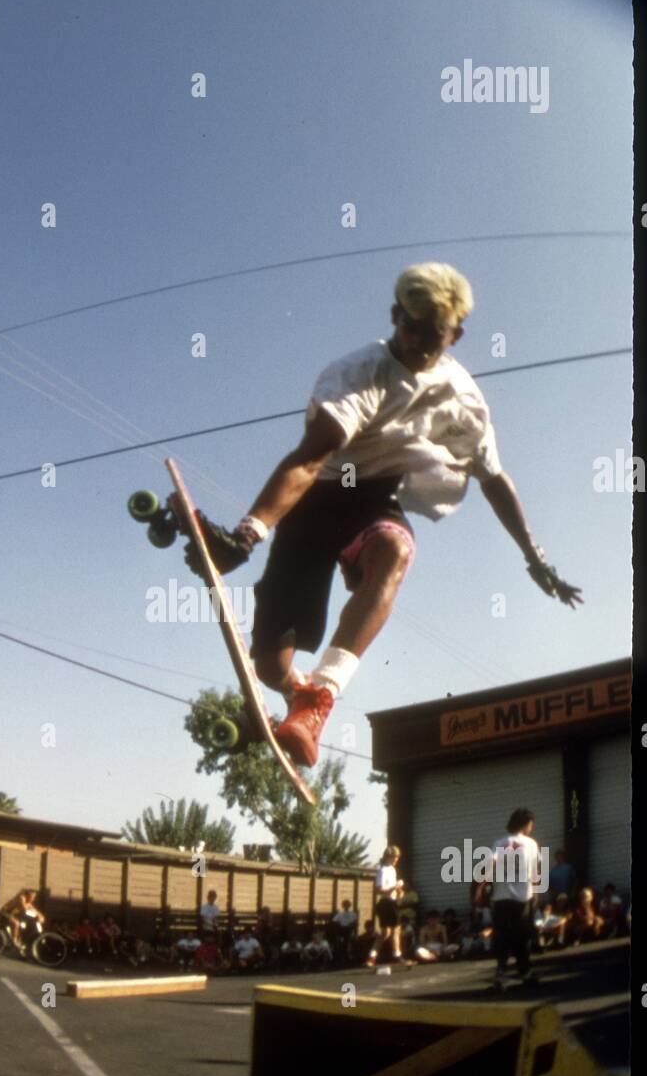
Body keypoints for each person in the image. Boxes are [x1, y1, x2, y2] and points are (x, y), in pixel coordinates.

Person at [176, 263, 582, 768]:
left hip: (375, 501)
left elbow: (494, 480)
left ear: (455, 334)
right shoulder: (357, 372)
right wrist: (248, 534)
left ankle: (318, 699)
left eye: (433, 337)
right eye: (409, 328)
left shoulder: (464, 400)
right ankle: (294, 689)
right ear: (395, 315)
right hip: (315, 502)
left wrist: (534, 556)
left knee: (394, 551)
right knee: (269, 667)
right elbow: (307, 461)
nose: (418, 345)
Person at [487, 808, 542, 991]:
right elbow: (536, 871)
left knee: (502, 936)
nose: (531, 828)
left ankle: (501, 973)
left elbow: (489, 865)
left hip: (501, 896)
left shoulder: (500, 842)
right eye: (530, 824)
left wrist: (479, 888)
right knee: (522, 936)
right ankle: (525, 973)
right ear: (526, 825)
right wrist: (535, 891)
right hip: (522, 896)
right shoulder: (532, 844)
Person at [372, 846, 404, 964]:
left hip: (392, 901)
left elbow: (392, 887)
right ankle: (397, 955)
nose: (397, 860)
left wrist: (398, 890)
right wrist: (393, 888)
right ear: (389, 857)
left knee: (385, 933)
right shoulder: (382, 870)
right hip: (386, 902)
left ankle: (372, 955)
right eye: (395, 857)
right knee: (396, 929)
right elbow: (379, 889)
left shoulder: (392, 870)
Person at [0, 888, 46, 954]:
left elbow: (34, 909)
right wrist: (36, 915)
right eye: (32, 897)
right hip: (5, 913)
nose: (33, 899)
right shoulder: (22, 898)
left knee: (23, 926)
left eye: (34, 897)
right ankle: (14, 941)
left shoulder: (28, 902)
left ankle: (21, 942)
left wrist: (41, 916)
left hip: (13, 915)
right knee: (16, 923)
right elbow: (25, 909)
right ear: (27, 895)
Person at [331, 898, 359, 965]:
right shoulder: (340, 914)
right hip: (342, 931)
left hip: (349, 930)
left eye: (347, 905)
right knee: (342, 942)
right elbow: (334, 922)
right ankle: (342, 958)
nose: (346, 907)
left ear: (349, 906)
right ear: (343, 906)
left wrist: (355, 933)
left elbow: (355, 924)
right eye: (345, 905)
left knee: (347, 941)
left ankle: (348, 957)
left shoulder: (353, 914)